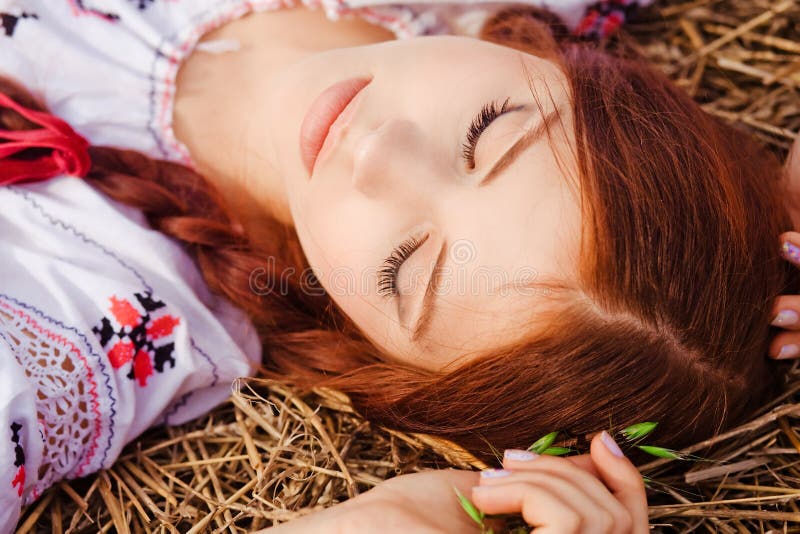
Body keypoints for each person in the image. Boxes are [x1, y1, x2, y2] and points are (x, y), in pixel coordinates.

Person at [1, 0, 798, 531]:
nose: (379, 154)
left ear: (370, 351)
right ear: (573, 68)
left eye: (403, 269)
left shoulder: (97, 323)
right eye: (488, 130)